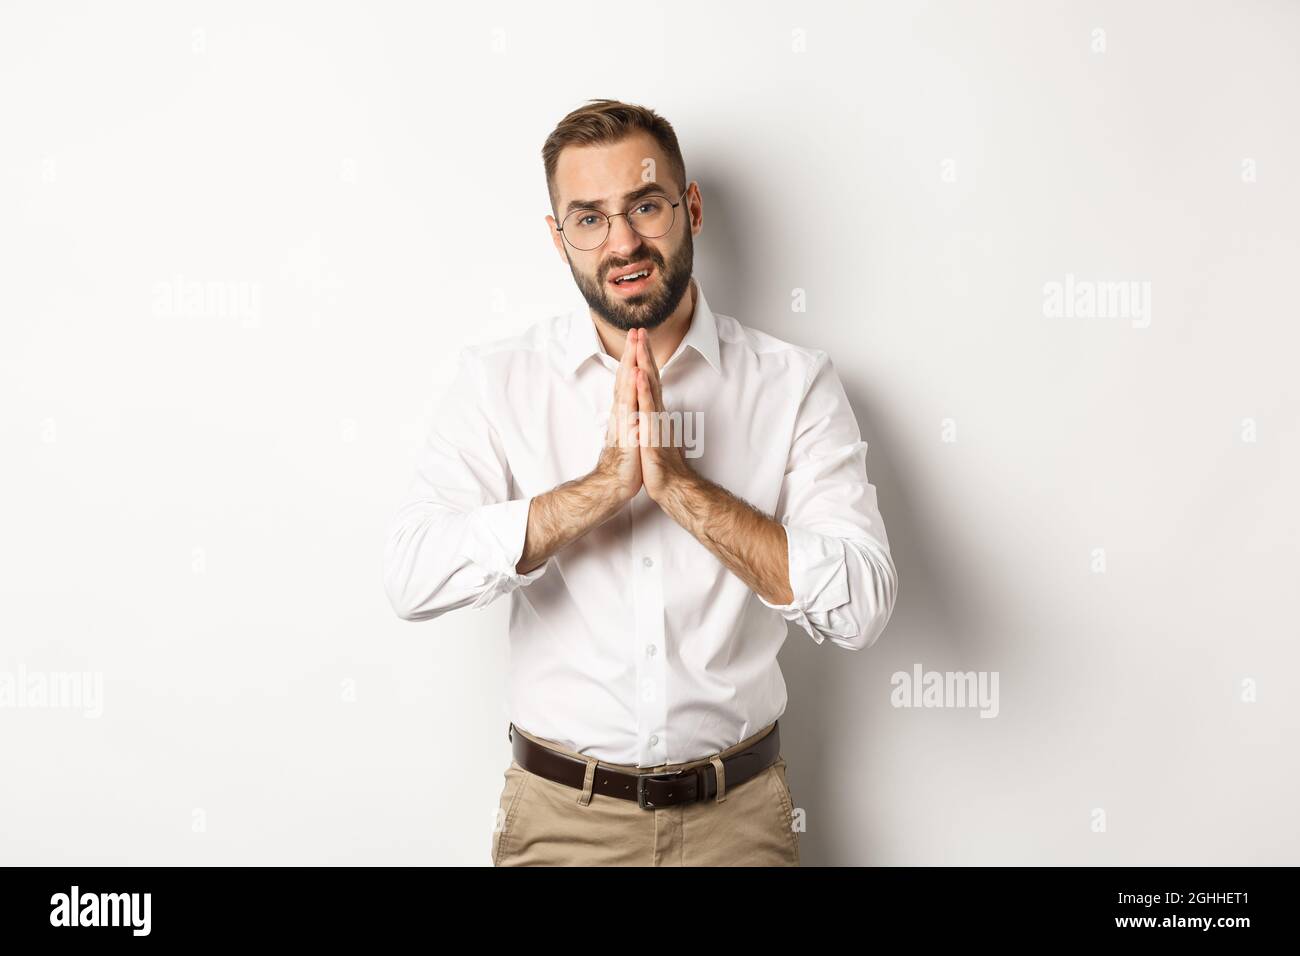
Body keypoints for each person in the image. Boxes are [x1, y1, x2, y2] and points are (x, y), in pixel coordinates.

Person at [382, 98, 899, 865]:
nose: (622, 242)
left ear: (688, 207)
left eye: (645, 206)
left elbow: (863, 606)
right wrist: (597, 491)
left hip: (743, 824)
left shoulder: (795, 386)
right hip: (561, 823)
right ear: (559, 240)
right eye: (588, 219)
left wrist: (686, 492)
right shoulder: (498, 382)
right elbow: (411, 575)